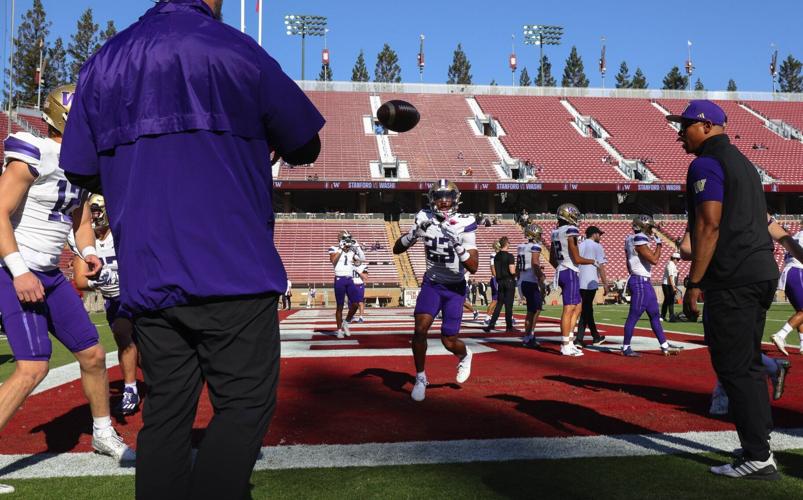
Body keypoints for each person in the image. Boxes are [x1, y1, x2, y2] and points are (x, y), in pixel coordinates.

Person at [59, 1, 325, 497]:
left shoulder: (103, 61)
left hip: (151, 270)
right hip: (232, 266)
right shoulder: (237, 48)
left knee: (165, 417)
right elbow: (304, 142)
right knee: (245, 406)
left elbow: (80, 167)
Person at [0, 85, 135, 497]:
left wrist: (89, 251)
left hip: (50, 274)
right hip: (13, 269)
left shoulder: (81, 163)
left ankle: (101, 433)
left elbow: (77, 218)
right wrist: (20, 271)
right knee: (32, 368)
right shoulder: (34, 151)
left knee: (93, 354)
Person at [669, 100, 779, 479]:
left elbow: (709, 224)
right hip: (760, 270)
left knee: (734, 368)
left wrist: (695, 282)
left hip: (734, 276)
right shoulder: (745, 164)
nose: (679, 133)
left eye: (683, 125)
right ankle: (759, 445)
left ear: (704, 125)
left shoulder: (704, 163)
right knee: (746, 364)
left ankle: (758, 456)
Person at [393, 180, 478, 402]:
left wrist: (457, 243)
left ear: (455, 199)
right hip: (432, 283)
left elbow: (474, 266)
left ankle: (464, 354)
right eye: (439, 196)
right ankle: (420, 377)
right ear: (431, 199)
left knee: (449, 341)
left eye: (447, 196)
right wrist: (413, 234)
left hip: (455, 287)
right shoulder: (423, 216)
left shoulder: (465, 222)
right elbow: (397, 248)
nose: (443, 201)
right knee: (420, 330)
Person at [70, 195, 140, 415]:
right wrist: (100, 280)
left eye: (99, 211)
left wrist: (123, 279)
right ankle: (130, 388)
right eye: (92, 212)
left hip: (138, 295)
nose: (96, 216)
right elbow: (81, 280)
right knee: (123, 335)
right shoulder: (83, 239)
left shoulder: (123, 233)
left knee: (149, 349)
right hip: (114, 301)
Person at [621, 215, 682, 357]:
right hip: (640, 281)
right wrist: (659, 245)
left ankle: (664, 345)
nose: (651, 229)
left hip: (643, 280)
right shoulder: (639, 238)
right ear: (642, 226)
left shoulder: (629, 239)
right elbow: (654, 260)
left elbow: (628, 261)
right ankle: (626, 347)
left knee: (655, 314)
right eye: (649, 226)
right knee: (634, 315)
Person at [549, 203, 596, 357]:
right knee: (569, 308)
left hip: (563, 270)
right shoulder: (571, 230)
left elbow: (551, 259)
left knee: (578, 307)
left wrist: (562, 266)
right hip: (569, 271)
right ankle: (565, 345)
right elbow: (576, 257)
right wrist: (592, 261)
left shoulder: (555, 232)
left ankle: (569, 341)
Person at [771, 223, 803, 356]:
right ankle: (780, 334)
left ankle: (802, 344)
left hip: (788, 272)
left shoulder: (796, 235)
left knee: (800, 311)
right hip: (798, 270)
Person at [576, 226, 609, 347]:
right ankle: (582, 338)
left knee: (586, 309)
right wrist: (605, 284)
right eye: (599, 234)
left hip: (580, 280)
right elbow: (601, 266)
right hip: (591, 281)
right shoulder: (597, 246)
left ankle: (591, 337)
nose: (600, 237)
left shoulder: (580, 245)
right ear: (594, 234)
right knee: (587, 310)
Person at [329, 230, 364, 337]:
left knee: (355, 304)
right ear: (339, 238)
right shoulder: (334, 248)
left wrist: (358, 248)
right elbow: (333, 261)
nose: (347, 240)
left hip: (350, 279)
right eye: (345, 238)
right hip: (339, 278)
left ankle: (346, 322)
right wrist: (340, 248)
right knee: (340, 306)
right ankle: (339, 329)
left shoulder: (351, 250)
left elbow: (361, 261)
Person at [517, 223, 545, 348]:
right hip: (530, 281)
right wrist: (540, 276)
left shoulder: (521, 247)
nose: (539, 236)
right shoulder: (535, 247)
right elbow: (534, 263)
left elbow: (519, 266)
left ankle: (528, 336)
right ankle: (529, 336)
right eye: (538, 234)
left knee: (532, 310)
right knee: (535, 309)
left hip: (522, 280)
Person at [483, 237, 517, 333]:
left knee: (499, 304)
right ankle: (509, 327)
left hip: (500, 282)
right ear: (507, 244)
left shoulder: (496, 256)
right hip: (509, 281)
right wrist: (517, 272)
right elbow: (512, 271)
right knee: (509, 306)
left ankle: (491, 325)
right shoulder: (510, 256)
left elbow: (495, 269)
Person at [484, 240, 501, 324]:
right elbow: (492, 266)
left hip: (497, 278)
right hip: (496, 279)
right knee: (495, 300)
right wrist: (497, 277)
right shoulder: (494, 255)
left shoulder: (498, 255)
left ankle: (490, 318)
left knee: (499, 300)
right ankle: (487, 318)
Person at [661, 252, 681, 322]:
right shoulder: (670, 264)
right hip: (667, 284)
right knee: (668, 300)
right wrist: (673, 287)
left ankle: (666, 316)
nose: (678, 261)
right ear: (674, 259)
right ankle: (668, 316)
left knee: (669, 300)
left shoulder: (672, 265)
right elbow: (670, 277)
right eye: (678, 259)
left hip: (669, 284)